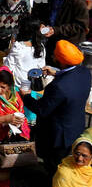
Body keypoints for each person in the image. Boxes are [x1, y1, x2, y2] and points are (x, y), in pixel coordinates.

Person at [28, 41, 92, 173]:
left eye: (55, 55)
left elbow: (42, 110)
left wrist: (26, 97)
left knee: (53, 166)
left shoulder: (58, 87)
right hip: (75, 128)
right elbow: (71, 79)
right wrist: (57, 73)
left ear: (61, 61)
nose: (52, 56)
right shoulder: (85, 73)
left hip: (57, 135)